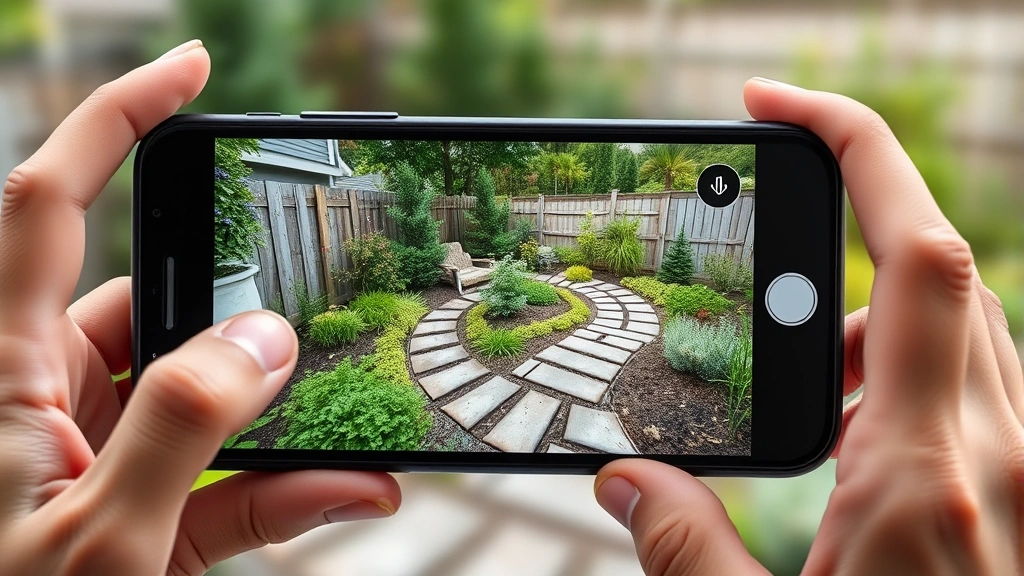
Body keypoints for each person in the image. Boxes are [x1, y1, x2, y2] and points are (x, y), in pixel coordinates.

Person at [0, 40, 1018, 575]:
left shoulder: (533, 268)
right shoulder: (452, 267)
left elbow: (513, 281)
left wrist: (513, 280)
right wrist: (495, 281)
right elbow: (473, 281)